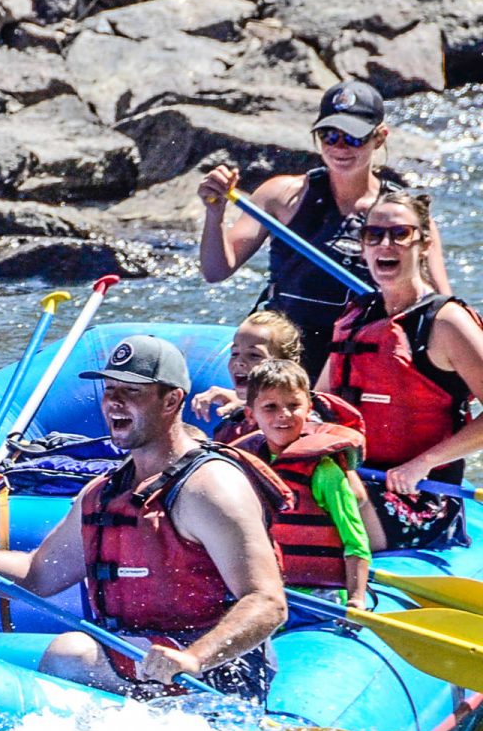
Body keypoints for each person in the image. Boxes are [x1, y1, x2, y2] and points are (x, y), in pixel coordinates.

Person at [0, 335, 291, 700]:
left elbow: (267, 601)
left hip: (217, 674)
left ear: (171, 401)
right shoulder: (104, 493)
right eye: (109, 390)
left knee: (72, 653)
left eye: (131, 391)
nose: (114, 402)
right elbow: (38, 575)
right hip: (141, 662)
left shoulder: (210, 486)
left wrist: (194, 658)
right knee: (71, 656)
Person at [198, 79, 452, 381]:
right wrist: (215, 214)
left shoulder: (404, 218)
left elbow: (438, 305)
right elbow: (216, 270)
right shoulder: (280, 196)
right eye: (329, 136)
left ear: (379, 137)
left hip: (359, 354)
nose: (339, 147)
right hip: (286, 355)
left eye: (353, 138)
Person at [318, 191, 483, 552]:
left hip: (424, 496)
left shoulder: (446, 322)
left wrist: (422, 464)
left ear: (424, 244)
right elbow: (319, 404)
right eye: (373, 235)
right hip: (356, 475)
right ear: (363, 246)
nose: (385, 244)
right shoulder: (356, 317)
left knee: (336, 501)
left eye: (400, 234)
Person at [235, 358, 370, 608]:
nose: (283, 415)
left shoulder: (324, 471)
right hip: (265, 588)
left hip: (319, 596)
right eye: (270, 407)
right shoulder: (244, 465)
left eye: (293, 405)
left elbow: (355, 540)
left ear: (309, 408)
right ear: (250, 414)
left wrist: (356, 598)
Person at [191, 309, 364, 444]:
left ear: (284, 363)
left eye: (254, 355)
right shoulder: (240, 415)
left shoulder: (299, 421)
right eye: (235, 353)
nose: (239, 362)